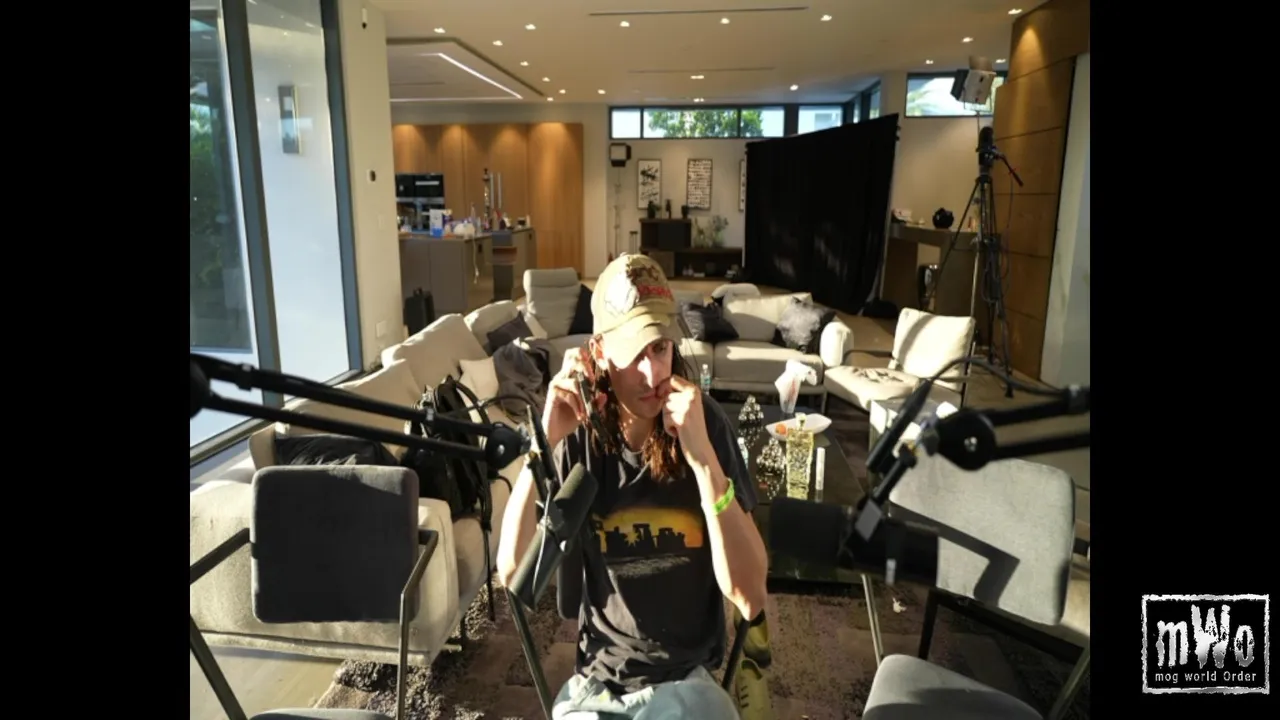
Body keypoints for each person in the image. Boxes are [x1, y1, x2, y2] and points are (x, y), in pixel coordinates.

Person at [497, 254, 770, 719]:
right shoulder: (579, 433)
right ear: (600, 352)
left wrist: (704, 461)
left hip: (686, 683)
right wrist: (544, 443)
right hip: (599, 686)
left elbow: (750, 596)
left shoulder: (703, 424)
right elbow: (512, 571)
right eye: (635, 353)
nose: (653, 373)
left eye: (660, 348)